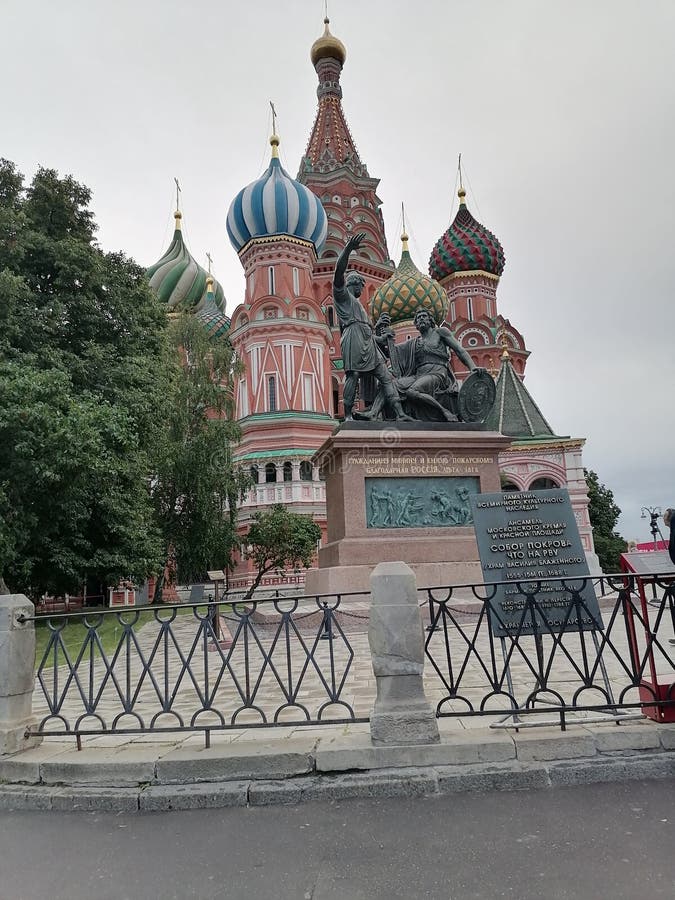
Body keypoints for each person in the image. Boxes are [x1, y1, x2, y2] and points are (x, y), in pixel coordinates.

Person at [333, 233, 410, 421]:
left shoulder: (359, 305)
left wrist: (380, 337)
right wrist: (348, 249)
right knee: (353, 375)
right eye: (361, 285)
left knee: (385, 376)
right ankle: (348, 415)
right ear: (354, 283)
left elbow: (367, 332)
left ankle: (400, 413)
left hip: (368, 341)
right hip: (353, 337)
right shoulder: (343, 297)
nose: (362, 289)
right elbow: (338, 273)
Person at [366, 308, 486, 421]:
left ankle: (444, 411)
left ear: (430, 320)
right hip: (419, 375)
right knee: (389, 384)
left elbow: (460, 350)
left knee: (412, 391)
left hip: (437, 373)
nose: (421, 319)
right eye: (418, 318)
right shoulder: (414, 342)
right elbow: (391, 352)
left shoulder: (440, 332)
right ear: (416, 324)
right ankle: (374, 413)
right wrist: (381, 331)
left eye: (424, 316)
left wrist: (472, 367)